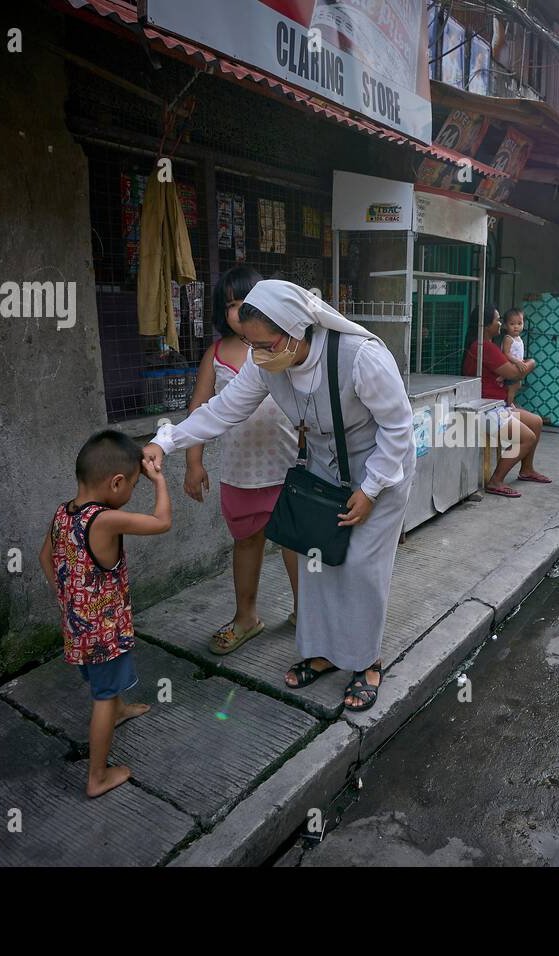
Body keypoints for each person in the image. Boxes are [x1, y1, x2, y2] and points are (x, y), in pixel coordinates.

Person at [143, 280, 414, 713]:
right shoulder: (265, 361)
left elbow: (399, 429)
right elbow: (223, 409)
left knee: (361, 566)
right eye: (251, 344)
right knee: (318, 562)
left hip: (381, 465)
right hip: (327, 468)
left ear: (296, 330)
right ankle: (323, 652)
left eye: (265, 344)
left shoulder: (360, 356)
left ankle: (366, 662)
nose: (257, 354)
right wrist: (168, 441)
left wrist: (370, 488)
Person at [40, 431, 169, 797]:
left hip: (77, 628)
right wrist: (158, 481)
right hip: (105, 635)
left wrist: (67, 598)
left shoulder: (63, 513)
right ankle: (97, 776)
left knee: (104, 685)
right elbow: (162, 522)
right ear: (115, 483)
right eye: (131, 484)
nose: (131, 490)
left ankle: (119, 708)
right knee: (101, 695)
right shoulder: (105, 519)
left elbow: (44, 558)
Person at [184, 266, 299, 656]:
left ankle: (305, 612)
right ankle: (246, 617)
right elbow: (198, 409)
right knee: (246, 543)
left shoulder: (281, 349)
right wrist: (193, 462)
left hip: (288, 468)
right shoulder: (215, 355)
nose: (239, 313)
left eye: (246, 304)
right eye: (231, 305)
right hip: (240, 473)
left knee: (295, 544)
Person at [463, 304, 551, 498]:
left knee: (536, 421)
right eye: (497, 321)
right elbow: (514, 373)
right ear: (486, 325)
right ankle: (496, 480)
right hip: (485, 409)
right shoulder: (484, 347)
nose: (500, 324)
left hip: (497, 405)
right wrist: (532, 362)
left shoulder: (488, 345)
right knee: (527, 438)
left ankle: (526, 469)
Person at [498, 307, 527, 406]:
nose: (516, 327)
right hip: (510, 368)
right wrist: (517, 362)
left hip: (517, 367)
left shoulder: (518, 338)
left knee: (516, 386)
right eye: (512, 324)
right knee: (512, 388)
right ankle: (508, 406)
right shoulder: (508, 338)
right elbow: (506, 354)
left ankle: (510, 404)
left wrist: (520, 361)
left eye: (519, 324)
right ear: (505, 326)